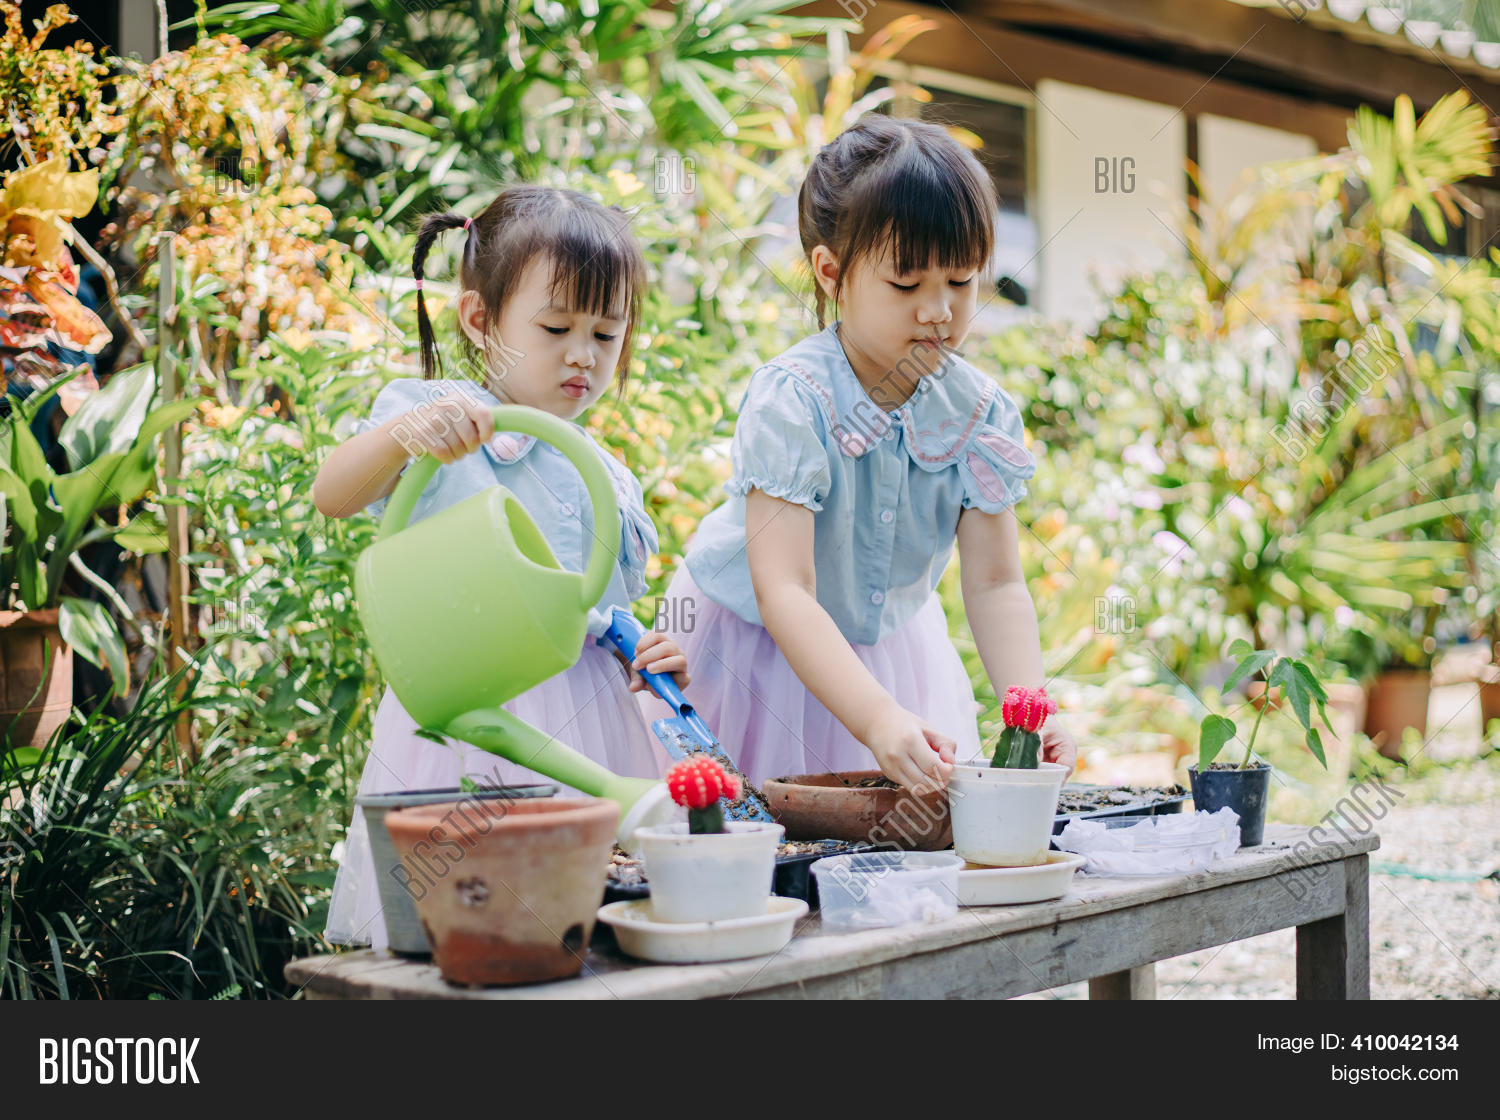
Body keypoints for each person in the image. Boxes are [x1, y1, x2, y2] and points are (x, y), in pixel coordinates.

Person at [647, 115, 1077, 791]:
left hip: (888, 652)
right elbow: (784, 587)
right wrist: (877, 719)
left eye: (961, 281)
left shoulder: (980, 414)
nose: (939, 310)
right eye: (907, 286)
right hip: (757, 647)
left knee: (890, 854)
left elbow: (996, 582)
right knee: (762, 842)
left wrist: (1031, 708)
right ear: (832, 274)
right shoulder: (795, 399)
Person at [316, 185, 687, 949]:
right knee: (463, 930)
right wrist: (407, 436)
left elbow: (601, 611)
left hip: (588, 725)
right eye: (555, 327)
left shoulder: (605, 474)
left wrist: (646, 649)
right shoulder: (439, 420)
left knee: (581, 930)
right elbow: (333, 495)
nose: (582, 354)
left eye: (606, 335)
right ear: (481, 321)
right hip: (472, 711)